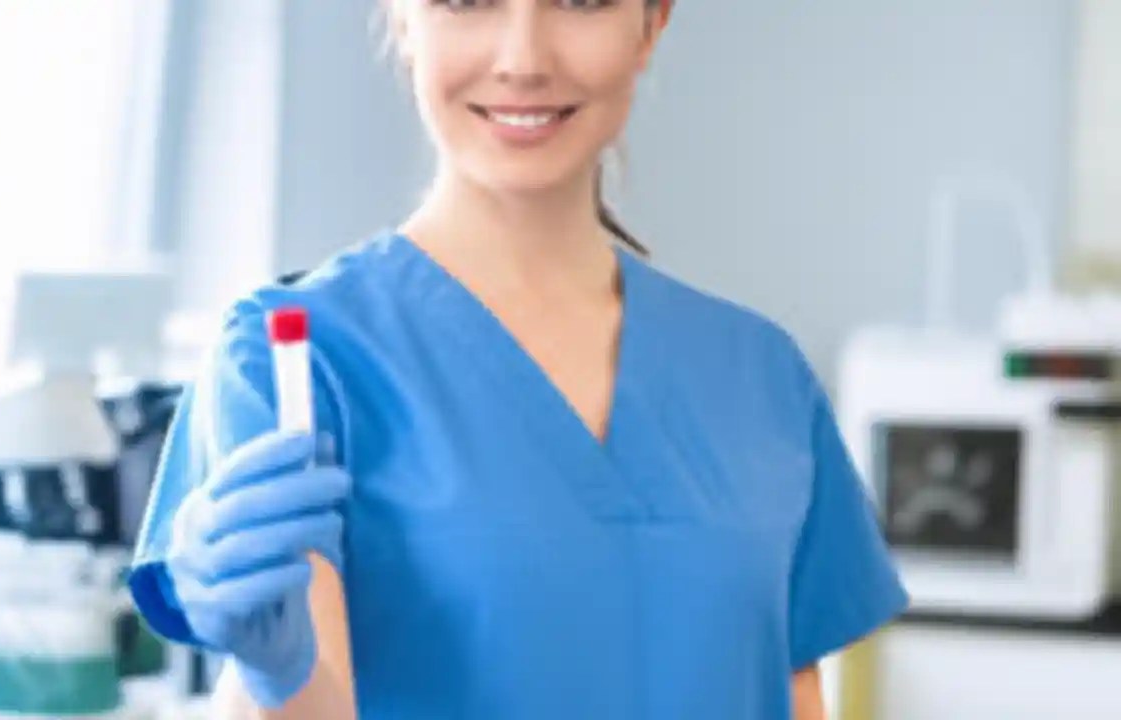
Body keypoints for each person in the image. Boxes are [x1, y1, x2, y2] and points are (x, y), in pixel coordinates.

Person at [128, 1, 909, 718]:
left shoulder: (759, 376)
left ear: (651, 22)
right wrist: (271, 675)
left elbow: (792, 698)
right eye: (468, 0)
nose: (524, 57)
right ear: (403, 19)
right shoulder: (298, 360)